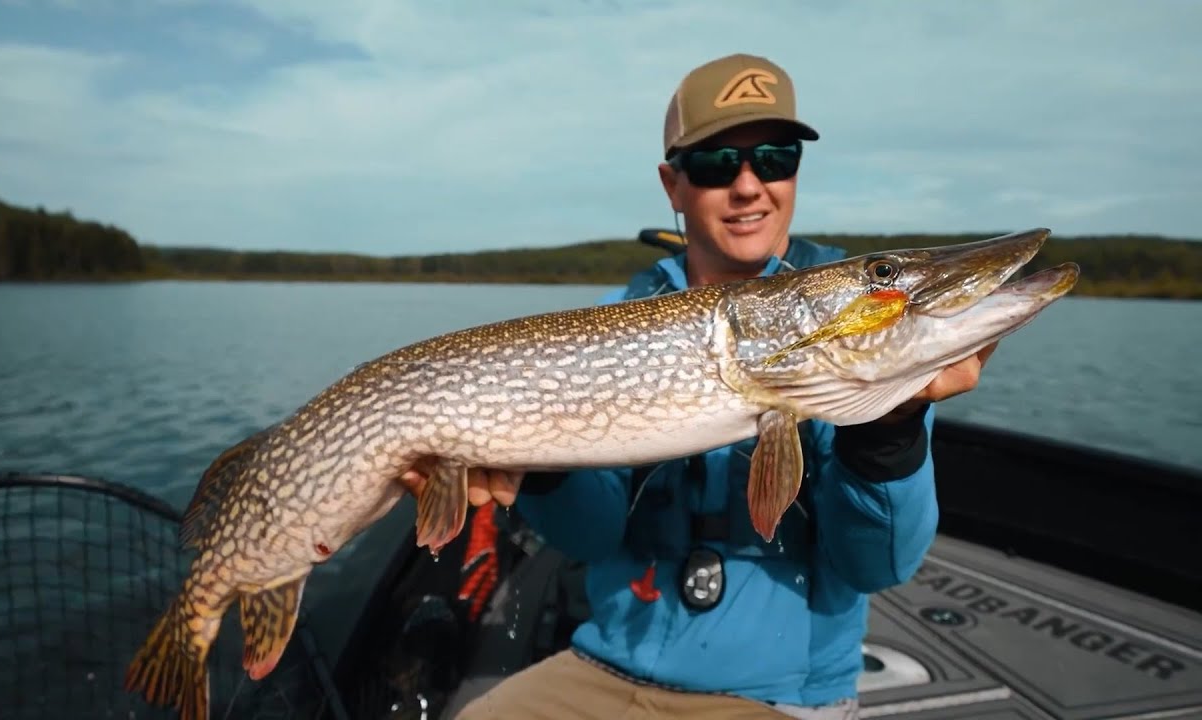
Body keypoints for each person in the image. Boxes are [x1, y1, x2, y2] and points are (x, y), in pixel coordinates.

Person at [418, 52, 997, 720]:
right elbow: (591, 538)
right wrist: (540, 471)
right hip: (608, 665)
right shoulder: (610, 323)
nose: (749, 185)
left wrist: (890, 432)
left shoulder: (853, 323)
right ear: (673, 184)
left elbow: (877, 567)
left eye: (775, 158)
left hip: (777, 693)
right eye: (717, 163)